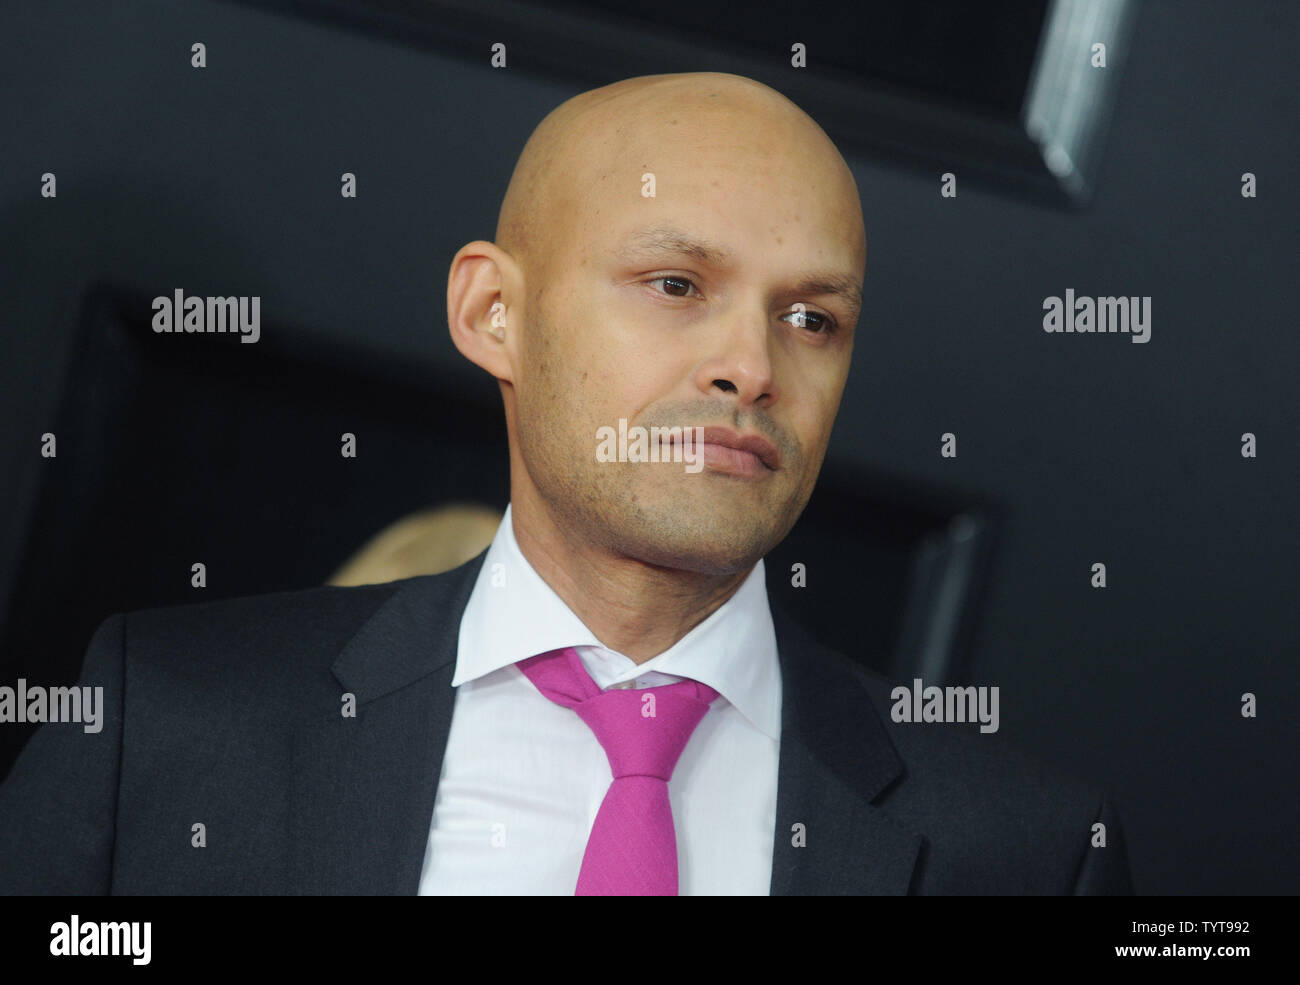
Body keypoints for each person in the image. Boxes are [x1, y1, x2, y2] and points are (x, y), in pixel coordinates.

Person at [0, 72, 1131, 895]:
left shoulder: (1026, 851)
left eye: (811, 317)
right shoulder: (167, 725)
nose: (752, 363)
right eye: (676, 282)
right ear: (494, 314)